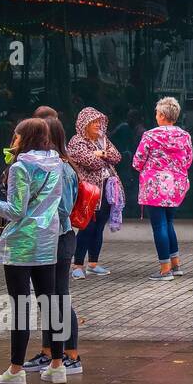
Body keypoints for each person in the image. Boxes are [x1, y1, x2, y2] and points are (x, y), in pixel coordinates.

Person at [0, 118, 66, 384]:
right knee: (49, 303)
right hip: (47, 240)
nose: (13, 140)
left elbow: (17, 211)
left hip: (21, 243)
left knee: (20, 307)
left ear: (24, 138)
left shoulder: (20, 167)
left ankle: (16, 371)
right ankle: (57, 366)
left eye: (16, 136)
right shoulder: (57, 163)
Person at [22, 115, 82, 377]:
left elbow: (64, 208)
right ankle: (48, 351)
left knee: (59, 296)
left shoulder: (64, 169)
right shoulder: (48, 166)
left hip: (59, 237)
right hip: (46, 238)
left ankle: (71, 355)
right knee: (47, 298)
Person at [132, 96, 193, 282]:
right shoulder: (185, 135)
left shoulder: (150, 135)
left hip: (155, 186)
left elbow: (137, 161)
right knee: (169, 223)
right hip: (176, 185)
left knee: (159, 225)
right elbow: (189, 160)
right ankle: (175, 264)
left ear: (161, 115)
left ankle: (165, 268)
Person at [66, 106, 121, 279]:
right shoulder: (77, 141)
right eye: (94, 122)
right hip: (88, 193)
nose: (98, 125)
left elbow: (117, 157)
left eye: (99, 122)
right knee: (87, 227)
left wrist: (101, 153)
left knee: (98, 228)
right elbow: (91, 162)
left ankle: (93, 263)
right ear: (84, 124)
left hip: (106, 191)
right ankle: (77, 265)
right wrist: (101, 156)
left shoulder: (102, 140)